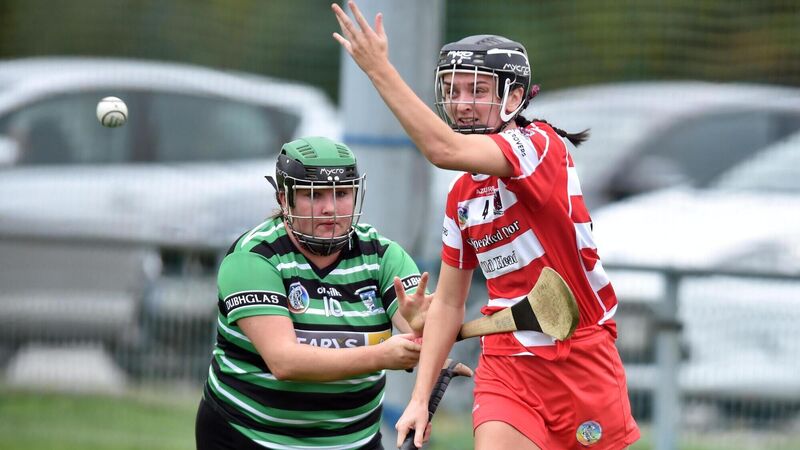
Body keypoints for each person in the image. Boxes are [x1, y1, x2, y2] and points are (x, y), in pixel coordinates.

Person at [332, 2, 641, 449]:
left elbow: (442, 149)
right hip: (507, 366)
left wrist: (379, 69)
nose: (461, 104)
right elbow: (450, 304)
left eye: (476, 90)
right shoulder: (462, 198)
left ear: (513, 98)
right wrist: (419, 399)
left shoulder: (538, 147)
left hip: (581, 358)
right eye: (452, 90)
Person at [195, 136, 432, 450]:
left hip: (352, 441)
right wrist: (380, 355)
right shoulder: (254, 257)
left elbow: (423, 328)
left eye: (342, 193)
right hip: (249, 436)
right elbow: (285, 362)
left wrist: (422, 326)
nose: (329, 209)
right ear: (284, 199)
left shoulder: (381, 255)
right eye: (313, 195)